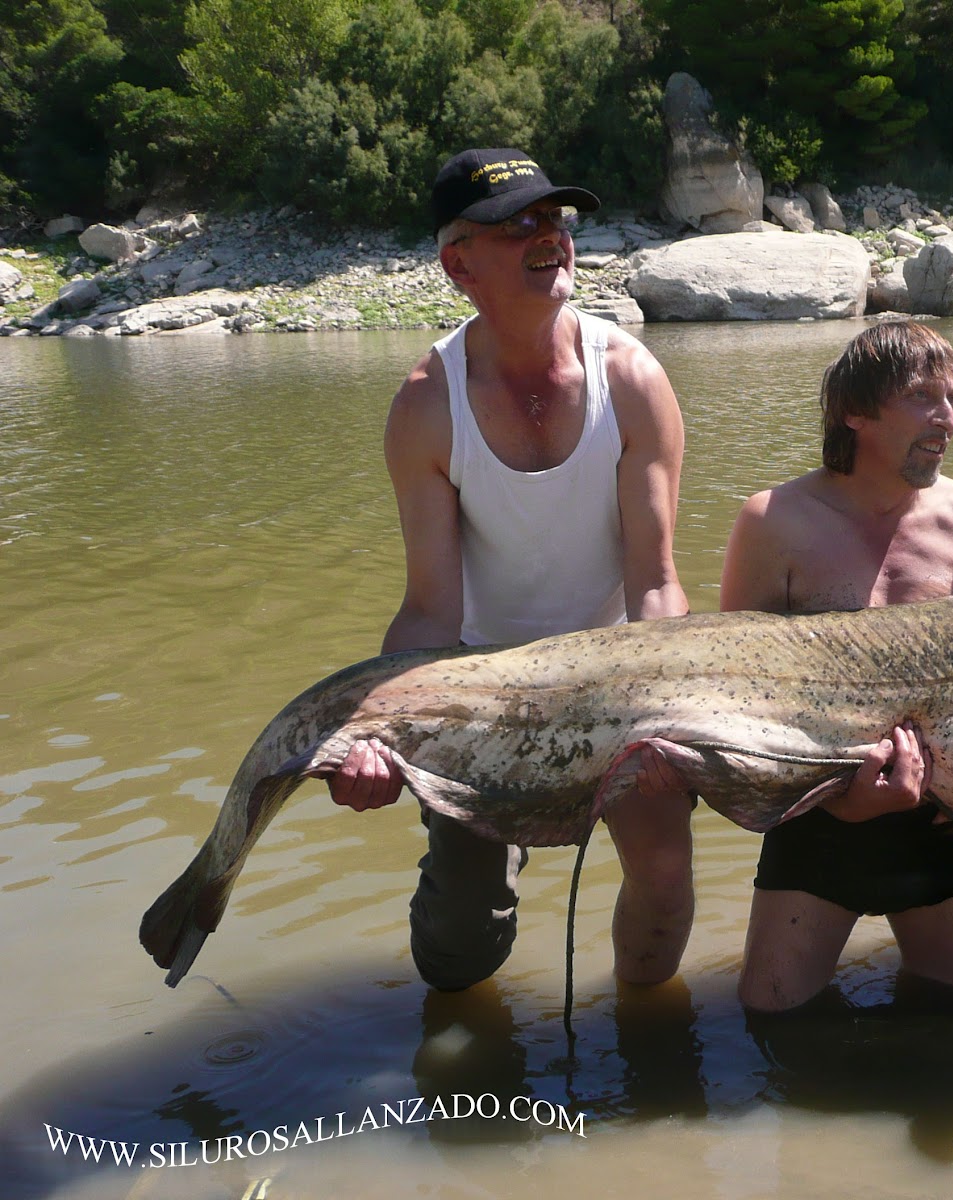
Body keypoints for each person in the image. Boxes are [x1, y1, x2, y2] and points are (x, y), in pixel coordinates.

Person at [326, 147, 695, 991]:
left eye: (556, 219)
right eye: (518, 224)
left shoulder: (632, 379)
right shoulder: (427, 402)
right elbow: (428, 611)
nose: (550, 237)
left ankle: (645, 1041)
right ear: (459, 263)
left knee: (667, 880)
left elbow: (655, 583)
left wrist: (671, 707)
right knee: (460, 949)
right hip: (483, 684)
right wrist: (379, 729)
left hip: (619, 678)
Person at [719, 321, 953, 1013]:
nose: (947, 418)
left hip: (941, 825)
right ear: (856, 411)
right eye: (923, 398)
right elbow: (739, 697)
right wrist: (841, 801)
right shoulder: (775, 521)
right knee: (771, 1027)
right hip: (816, 818)